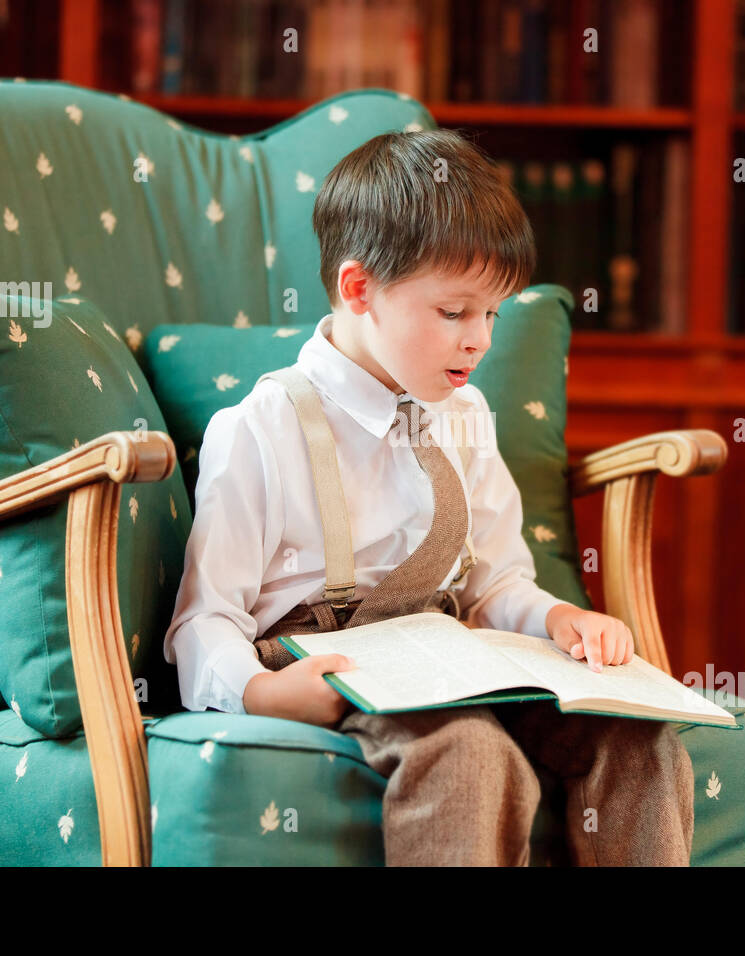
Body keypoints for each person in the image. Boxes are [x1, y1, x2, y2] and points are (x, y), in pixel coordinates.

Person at [163, 128, 694, 866]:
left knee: (639, 735)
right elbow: (204, 619)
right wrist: (260, 692)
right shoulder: (262, 426)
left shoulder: (466, 416)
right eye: (455, 313)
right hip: (330, 667)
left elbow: (495, 581)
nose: (479, 341)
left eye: (494, 315)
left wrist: (559, 615)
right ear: (359, 290)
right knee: (474, 754)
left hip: (456, 656)